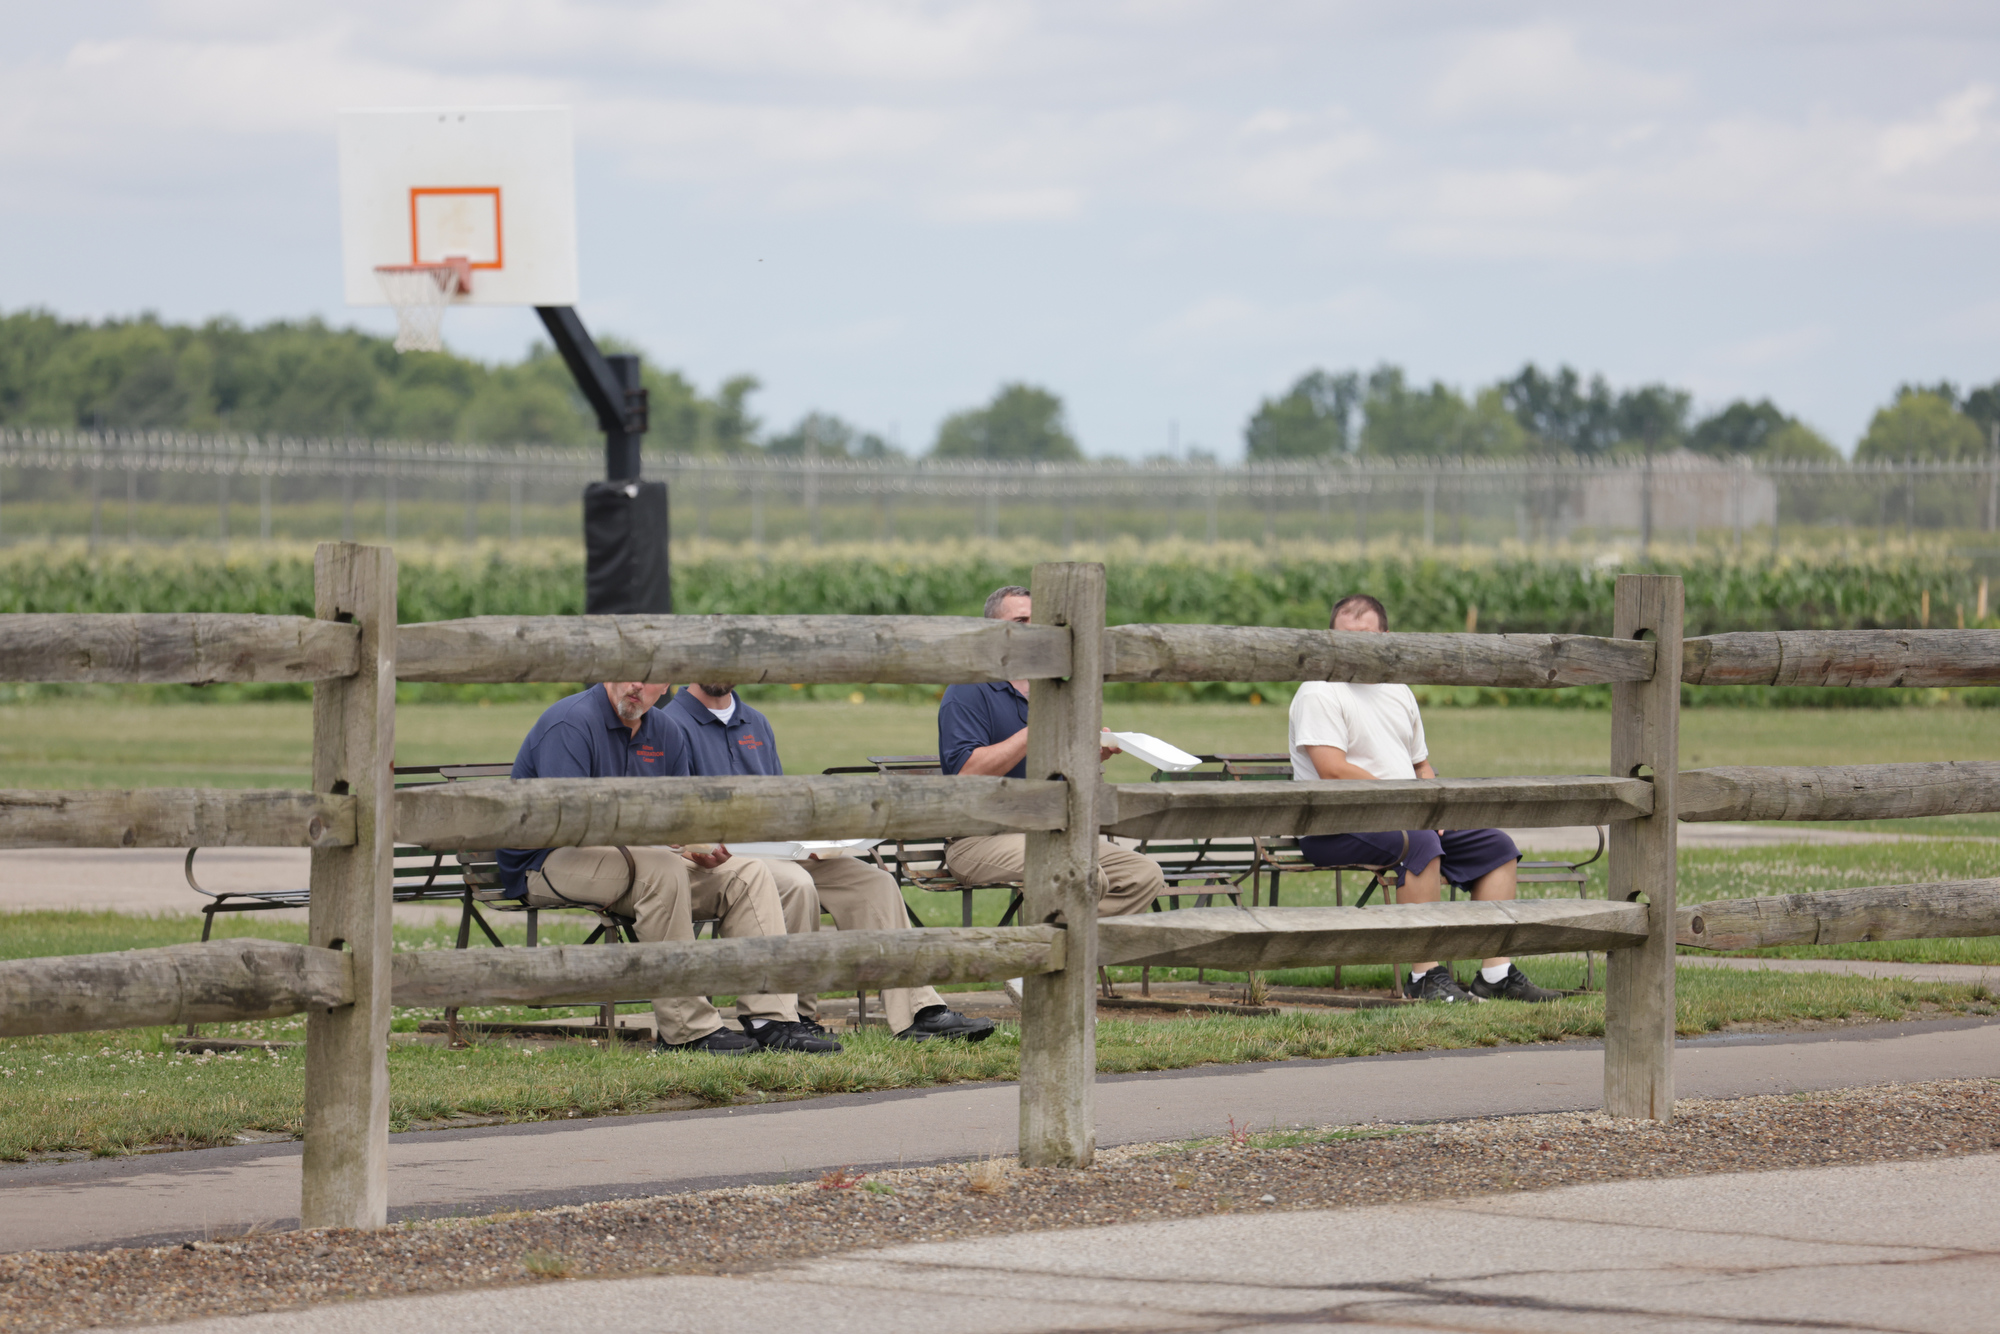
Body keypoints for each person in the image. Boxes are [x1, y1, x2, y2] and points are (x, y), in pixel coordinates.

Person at [496, 680, 842, 1054]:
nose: (635, 684)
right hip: (547, 860)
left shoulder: (665, 731)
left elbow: (679, 821)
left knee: (748, 873)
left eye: (649, 677)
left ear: (665, 684)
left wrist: (697, 849)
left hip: (644, 861)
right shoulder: (571, 722)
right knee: (660, 867)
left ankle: (771, 1019)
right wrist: (662, 844)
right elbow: (568, 822)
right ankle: (687, 1031)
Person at [665, 681, 997, 1042]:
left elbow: (777, 801)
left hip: (778, 849)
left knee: (874, 884)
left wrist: (815, 834)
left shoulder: (755, 722)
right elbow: (677, 823)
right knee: (795, 883)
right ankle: (790, 1017)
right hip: (719, 861)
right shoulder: (671, 724)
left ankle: (919, 1012)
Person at [1289, 594, 1563, 1004]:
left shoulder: (1397, 690)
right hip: (1334, 824)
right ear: (1331, 638)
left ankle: (1496, 974)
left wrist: (1431, 803)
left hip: (1407, 817)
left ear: (1385, 637)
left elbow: (1422, 765)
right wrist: (1411, 806)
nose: (1355, 646)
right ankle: (1424, 976)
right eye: (1345, 638)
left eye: (1365, 637)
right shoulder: (1318, 692)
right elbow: (1332, 770)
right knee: (1419, 843)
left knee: (1496, 847)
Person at [938, 585, 1165, 1003]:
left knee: (1143, 875)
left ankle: (1041, 968)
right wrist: (1035, 730)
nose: (1031, 629)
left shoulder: (1055, 687)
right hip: (979, 839)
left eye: (1036, 621)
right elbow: (966, 772)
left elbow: (1064, 776)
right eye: (1019, 621)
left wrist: (1091, 755)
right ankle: (1050, 982)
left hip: (1049, 832)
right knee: (1082, 874)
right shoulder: (970, 689)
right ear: (993, 631)